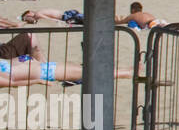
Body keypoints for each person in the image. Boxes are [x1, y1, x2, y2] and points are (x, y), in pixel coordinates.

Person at [0, 31, 135, 87]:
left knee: (84, 70)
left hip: (41, 67)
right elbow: (11, 82)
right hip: (45, 72)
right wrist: (37, 81)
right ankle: (125, 73)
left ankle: (123, 71)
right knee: (88, 73)